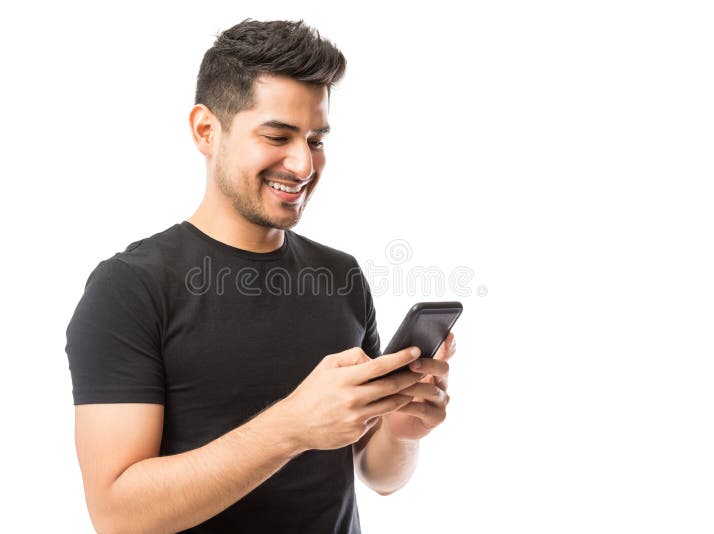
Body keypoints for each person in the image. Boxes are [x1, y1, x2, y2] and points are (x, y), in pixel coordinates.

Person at [65, 18, 456, 534]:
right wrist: (291, 427)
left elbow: (375, 473)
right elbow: (117, 514)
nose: (302, 164)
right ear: (206, 130)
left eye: (316, 140)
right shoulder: (129, 289)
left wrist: (401, 431)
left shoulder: (341, 276)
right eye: (278, 135)